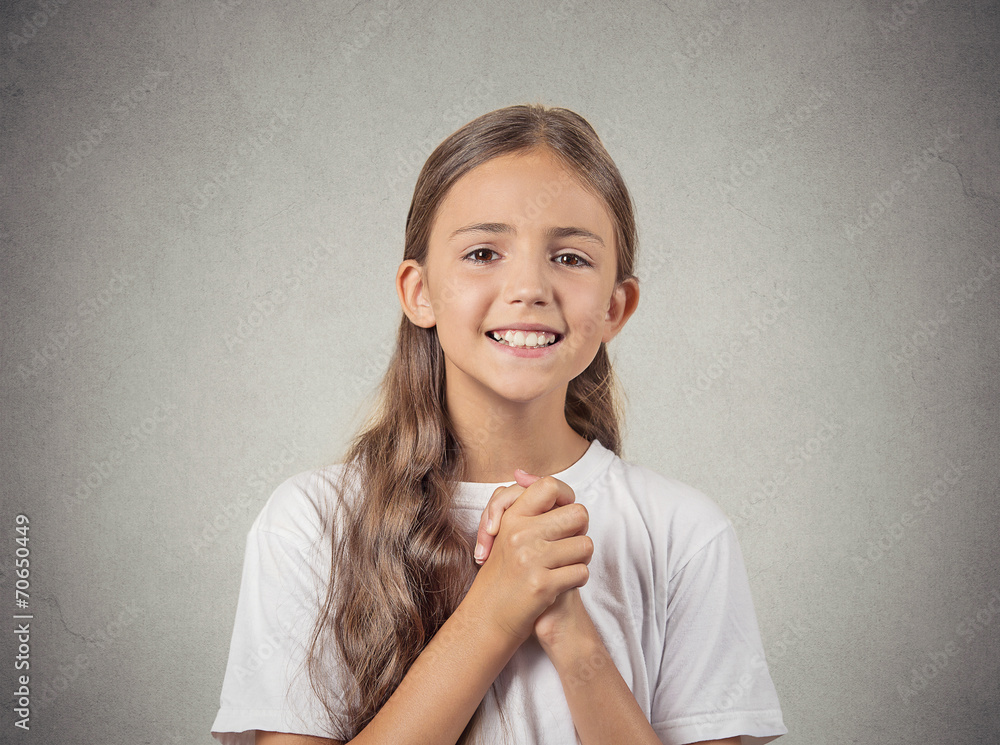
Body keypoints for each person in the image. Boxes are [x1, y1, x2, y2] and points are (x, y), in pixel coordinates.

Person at [210, 103, 787, 745]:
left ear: (616, 307)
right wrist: (496, 608)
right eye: (484, 252)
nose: (529, 287)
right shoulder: (310, 523)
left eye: (570, 258)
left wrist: (570, 633)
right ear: (418, 292)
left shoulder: (685, 534)